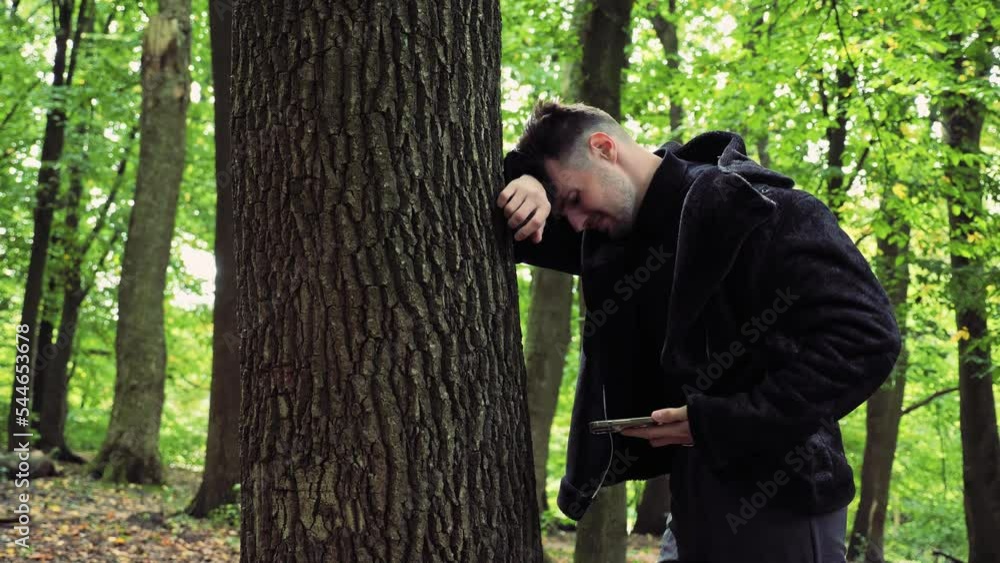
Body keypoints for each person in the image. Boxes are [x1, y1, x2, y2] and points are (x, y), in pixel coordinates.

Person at [495, 101, 901, 562]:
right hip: (690, 500)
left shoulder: (768, 211)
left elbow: (869, 337)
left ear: (604, 148)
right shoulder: (612, 236)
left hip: (787, 500)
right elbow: (506, 219)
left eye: (573, 199)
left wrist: (723, 420)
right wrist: (525, 179)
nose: (574, 221)